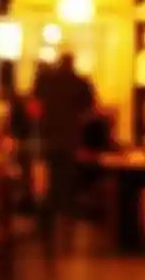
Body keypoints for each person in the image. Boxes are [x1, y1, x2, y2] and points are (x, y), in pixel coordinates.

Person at [32, 52, 97, 262]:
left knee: (48, 182)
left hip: (48, 136)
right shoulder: (80, 82)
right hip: (70, 139)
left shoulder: (46, 81)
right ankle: (65, 221)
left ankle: (47, 223)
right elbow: (90, 109)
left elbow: (35, 107)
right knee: (67, 182)